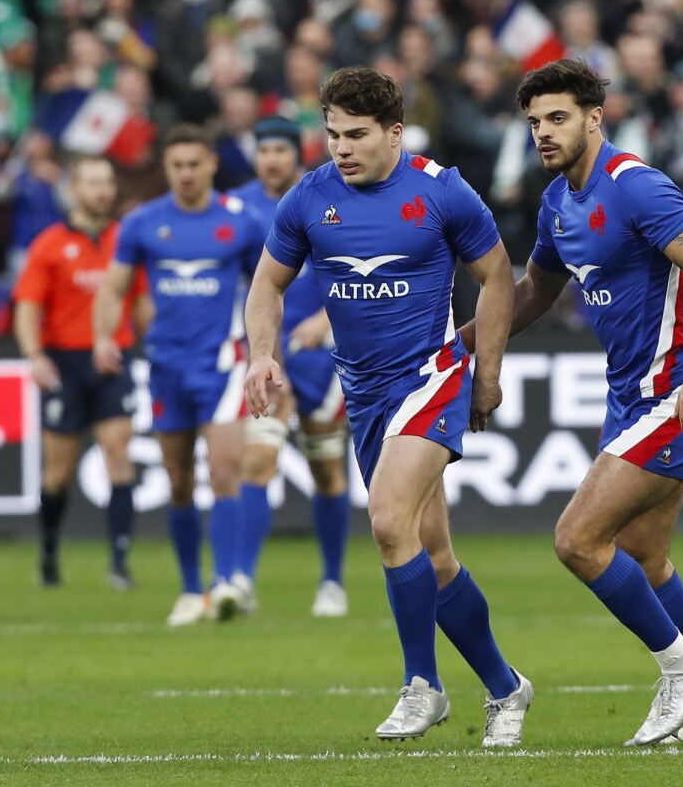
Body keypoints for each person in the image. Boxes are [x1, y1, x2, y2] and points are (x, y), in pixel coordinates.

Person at [244, 66, 533, 747]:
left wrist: (487, 372)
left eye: (357, 135)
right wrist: (261, 353)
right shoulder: (309, 198)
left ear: (395, 133)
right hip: (365, 392)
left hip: (431, 380)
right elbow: (267, 285)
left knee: (385, 520)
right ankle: (505, 687)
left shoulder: (442, 192)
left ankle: (421, 685)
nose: (341, 148)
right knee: (433, 555)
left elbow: (498, 277)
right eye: (333, 134)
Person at [461, 59, 683, 745]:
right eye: (534, 122)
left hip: (677, 393)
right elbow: (535, 292)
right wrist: (455, 348)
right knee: (644, 556)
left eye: (557, 118)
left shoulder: (636, 186)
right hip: (629, 399)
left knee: (577, 540)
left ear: (594, 118)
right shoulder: (558, 202)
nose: (543, 133)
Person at [93, 123, 264, 626]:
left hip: (222, 365)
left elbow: (267, 288)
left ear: (212, 164)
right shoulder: (143, 223)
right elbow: (113, 288)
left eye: (194, 164)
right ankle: (191, 590)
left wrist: (266, 354)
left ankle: (226, 582)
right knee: (180, 481)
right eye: (176, 165)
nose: (186, 173)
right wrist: (103, 337)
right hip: (166, 366)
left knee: (225, 471)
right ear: (165, 169)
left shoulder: (242, 221)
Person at [229, 116, 351, 618]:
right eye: (264, 151)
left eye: (281, 150)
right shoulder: (236, 209)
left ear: (296, 154)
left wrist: (325, 318)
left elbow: (352, 268)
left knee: (327, 469)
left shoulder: (326, 198)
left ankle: (331, 582)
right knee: (258, 459)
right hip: (268, 354)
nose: (272, 160)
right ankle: (241, 580)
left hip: (321, 356)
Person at [13, 154, 151, 589]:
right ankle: (49, 553)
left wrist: (155, 345)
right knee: (57, 472)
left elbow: (142, 302)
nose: (102, 191)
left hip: (113, 360)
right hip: (66, 364)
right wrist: (35, 355)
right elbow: (27, 307)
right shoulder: (49, 244)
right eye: (92, 182)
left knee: (119, 457)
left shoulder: (126, 239)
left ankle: (120, 562)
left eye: (107, 181)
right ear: (74, 190)